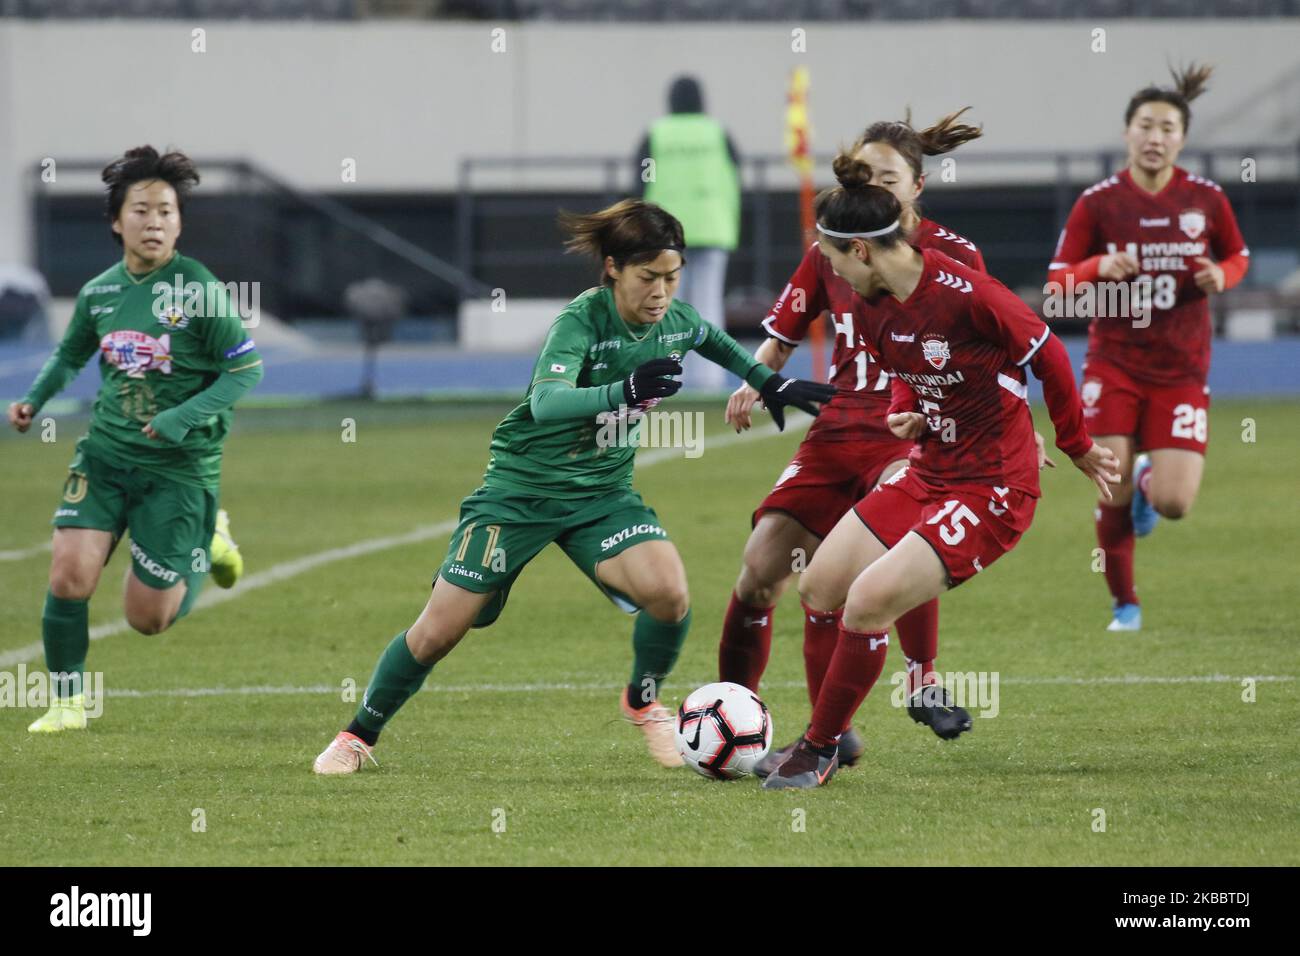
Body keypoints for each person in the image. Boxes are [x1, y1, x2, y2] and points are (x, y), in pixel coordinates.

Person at [312, 199, 832, 775]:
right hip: (520, 492)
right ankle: (357, 735)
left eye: (671, 277)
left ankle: (643, 701)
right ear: (612, 268)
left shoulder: (673, 320)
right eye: (647, 278)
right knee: (440, 630)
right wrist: (624, 391)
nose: (661, 292)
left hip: (602, 495)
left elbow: (710, 337)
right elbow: (546, 402)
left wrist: (768, 381)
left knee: (669, 593)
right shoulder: (580, 322)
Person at [762, 154, 1119, 790]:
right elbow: (902, 369)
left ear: (863, 253)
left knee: (867, 600)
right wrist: (907, 412)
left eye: (832, 256)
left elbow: (1050, 355)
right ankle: (832, 729)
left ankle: (818, 751)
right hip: (930, 470)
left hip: (995, 486)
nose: (828, 269)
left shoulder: (969, 294)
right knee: (819, 588)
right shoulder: (872, 302)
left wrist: (1076, 442)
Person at [717, 110, 994, 775]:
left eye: (890, 177)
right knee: (761, 569)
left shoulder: (955, 256)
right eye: (866, 173)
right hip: (837, 432)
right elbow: (785, 327)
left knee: (888, 560)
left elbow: (996, 353)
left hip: (910, 434)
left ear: (918, 187)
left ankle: (916, 682)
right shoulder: (832, 248)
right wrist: (758, 379)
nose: (876, 185)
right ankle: (735, 713)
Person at [8, 146, 262, 733]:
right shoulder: (99, 293)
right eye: (142, 210)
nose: (155, 222)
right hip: (105, 456)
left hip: (178, 468)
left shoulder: (198, 289)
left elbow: (247, 371)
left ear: (180, 222)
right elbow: (72, 353)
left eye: (167, 212)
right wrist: (34, 400)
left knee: (146, 619)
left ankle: (210, 540)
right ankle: (68, 703)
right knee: (68, 573)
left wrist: (181, 418)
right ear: (116, 221)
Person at [1047, 64, 1249, 632]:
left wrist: (1222, 276)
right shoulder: (1099, 203)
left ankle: (1147, 484)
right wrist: (1096, 266)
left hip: (1183, 369)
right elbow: (1057, 281)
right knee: (1107, 488)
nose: (1155, 137)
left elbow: (1239, 256)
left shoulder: (1206, 198)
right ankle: (1126, 605)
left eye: (1167, 128)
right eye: (1145, 125)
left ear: (1181, 137)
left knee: (1174, 504)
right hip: (1114, 365)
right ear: (1127, 133)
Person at [637, 75, 741, 332]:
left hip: (665, 233)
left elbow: (640, 181)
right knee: (709, 303)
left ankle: (671, 368)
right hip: (712, 226)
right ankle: (710, 371)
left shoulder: (656, 134)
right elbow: (734, 175)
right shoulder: (717, 133)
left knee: (668, 301)